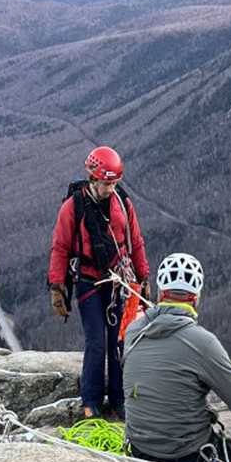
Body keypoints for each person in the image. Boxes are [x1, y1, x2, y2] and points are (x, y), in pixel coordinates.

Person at [121, 253, 231, 462]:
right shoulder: (203, 342)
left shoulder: (134, 332)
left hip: (140, 450)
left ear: (160, 293)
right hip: (188, 456)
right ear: (196, 299)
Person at [47, 146, 150, 419]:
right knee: (96, 340)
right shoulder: (73, 207)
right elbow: (60, 247)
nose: (110, 188)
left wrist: (144, 277)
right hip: (89, 281)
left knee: (119, 341)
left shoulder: (122, 202)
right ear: (93, 178)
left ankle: (118, 398)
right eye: (106, 183)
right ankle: (90, 400)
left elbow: (135, 242)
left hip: (118, 283)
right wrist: (57, 287)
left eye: (114, 183)